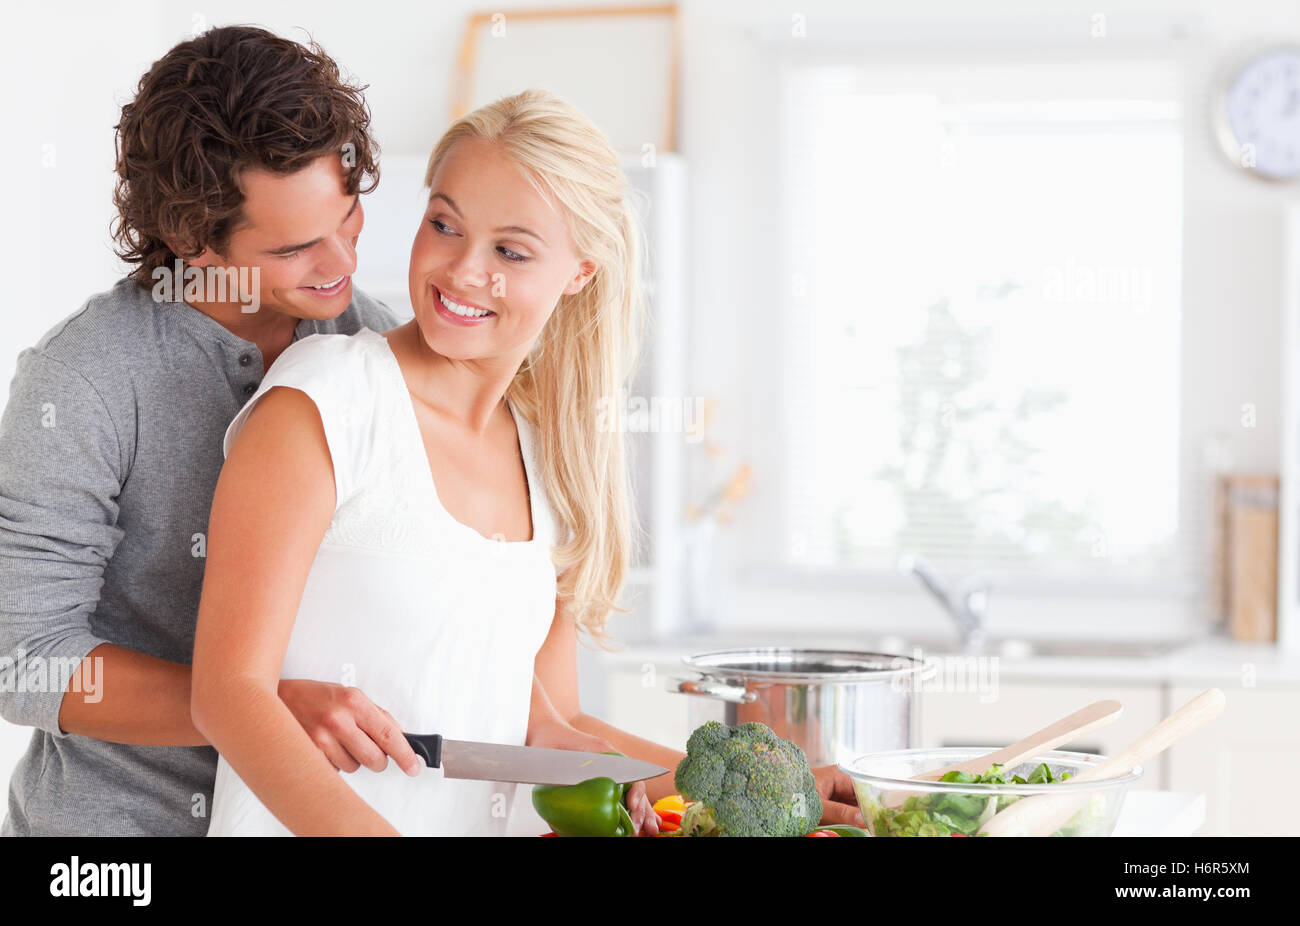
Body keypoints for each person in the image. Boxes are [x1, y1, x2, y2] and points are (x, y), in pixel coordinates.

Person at [0, 26, 426, 836]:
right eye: (298, 246)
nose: (341, 264)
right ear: (194, 238)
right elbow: (25, 661)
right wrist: (250, 710)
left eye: (350, 216)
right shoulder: (83, 380)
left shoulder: (370, 342)